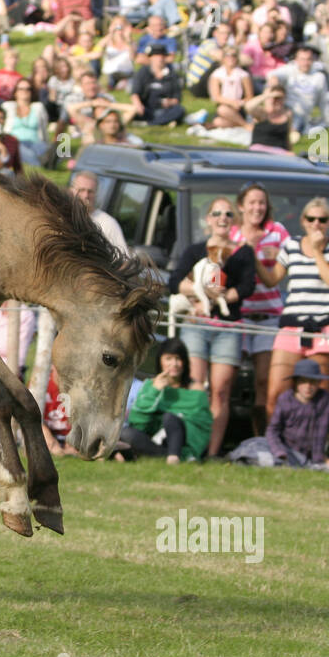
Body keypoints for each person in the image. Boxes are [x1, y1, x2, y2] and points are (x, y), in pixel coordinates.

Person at [170, 197, 256, 457]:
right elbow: (174, 281)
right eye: (216, 213)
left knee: (220, 391)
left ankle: (212, 452)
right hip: (196, 324)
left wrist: (222, 297)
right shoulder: (195, 250)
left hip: (227, 327)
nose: (222, 218)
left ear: (234, 220)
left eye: (228, 214)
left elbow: (247, 287)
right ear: (208, 219)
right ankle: (190, 448)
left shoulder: (243, 252)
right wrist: (202, 293)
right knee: (196, 386)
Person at [259, 196, 329, 415]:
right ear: (303, 220)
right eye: (311, 218)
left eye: (322, 219)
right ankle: (277, 444)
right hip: (292, 326)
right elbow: (272, 280)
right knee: (276, 393)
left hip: (325, 326)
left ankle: (317, 445)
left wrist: (317, 251)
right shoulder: (291, 245)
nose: (316, 224)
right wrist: (253, 258)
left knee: (320, 394)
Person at [228, 182, 289, 433]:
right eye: (252, 202)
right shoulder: (231, 233)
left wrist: (256, 251)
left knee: (264, 382)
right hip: (238, 316)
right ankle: (225, 438)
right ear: (241, 206)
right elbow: (222, 272)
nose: (257, 207)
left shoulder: (277, 232)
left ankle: (263, 436)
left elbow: (278, 273)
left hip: (268, 317)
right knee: (228, 379)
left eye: (261, 202)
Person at [121, 338, 212, 463]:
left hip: (184, 445)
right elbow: (137, 422)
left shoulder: (197, 391)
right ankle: (169, 458)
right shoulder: (150, 385)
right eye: (168, 358)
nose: (174, 364)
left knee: (170, 418)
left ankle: (176, 455)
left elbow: (202, 428)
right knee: (126, 433)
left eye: (178, 359)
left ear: (184, 362)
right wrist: (155, 391)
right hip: (155, 442)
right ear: (160, 361)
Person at [257, 359, 329, 470]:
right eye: (303, 381)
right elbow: (273, 430)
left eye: (313, 382)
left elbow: (321, 432)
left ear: (319, 383)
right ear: (295, 382)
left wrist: (318, 460)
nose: (308, 386)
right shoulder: (285, 399)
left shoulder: (324, 399)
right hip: (285, 449)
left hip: (309, 455)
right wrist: (279, 452)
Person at [130, 45, 185, 126]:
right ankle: (164, 122)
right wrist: (138, 105)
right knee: (134, 110)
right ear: (150, 58)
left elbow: (177, 98)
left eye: (162, 56)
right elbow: (135, 93)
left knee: (179, 110)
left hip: (165, 109)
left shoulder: (172, 75)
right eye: (156, 56)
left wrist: (169, 102)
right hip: (147, 108)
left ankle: (151, 123)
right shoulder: (143, 72)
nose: (159, 59)